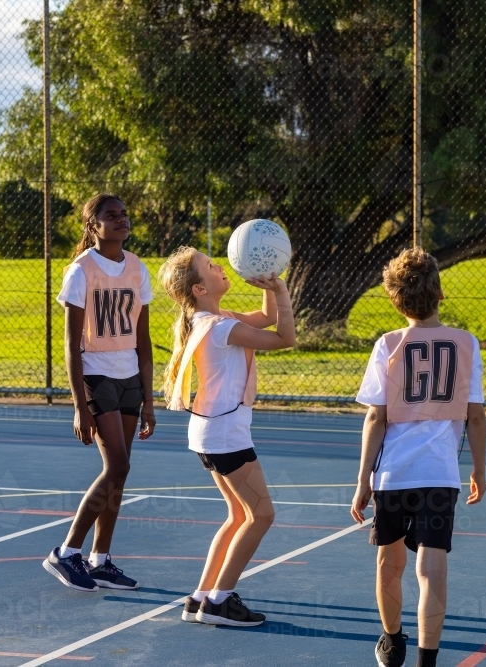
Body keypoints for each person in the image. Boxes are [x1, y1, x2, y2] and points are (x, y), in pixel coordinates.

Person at [351, 247, 486, 667]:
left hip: (393, 474)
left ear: (395, 300)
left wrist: (362, 480)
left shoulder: (388, 344)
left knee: (389, 565)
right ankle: (428, 660)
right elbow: (476, 417)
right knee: (431, 570)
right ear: (440, 293)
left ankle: (392, 642)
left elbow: (376, 416)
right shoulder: (465, 343)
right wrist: (479, 468)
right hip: (440, 475)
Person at [158, 246, 295, 627]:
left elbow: (266, 317)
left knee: (238, 514)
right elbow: (285, 337)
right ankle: (220, 601)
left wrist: (268, 280)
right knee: (262, 514)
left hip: (210, 432)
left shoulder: (216, 320)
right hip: (224, 434)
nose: (221, 267)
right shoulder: (221, 328)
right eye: (211, 267)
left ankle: (201, 596)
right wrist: (283, 291)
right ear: (200, 289)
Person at [42, 193, 156, 592]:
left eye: (124, 215)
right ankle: (67, 551)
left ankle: (100, 560)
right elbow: (72, 347)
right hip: (96, 377)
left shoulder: (137, 267)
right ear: (94, 226)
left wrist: (149, 400)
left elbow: (143, 341)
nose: (122, 220)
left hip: (129, 378)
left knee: (119, 475)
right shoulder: (81, 271)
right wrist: (79, 407)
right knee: (117, 467)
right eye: (112, 216)